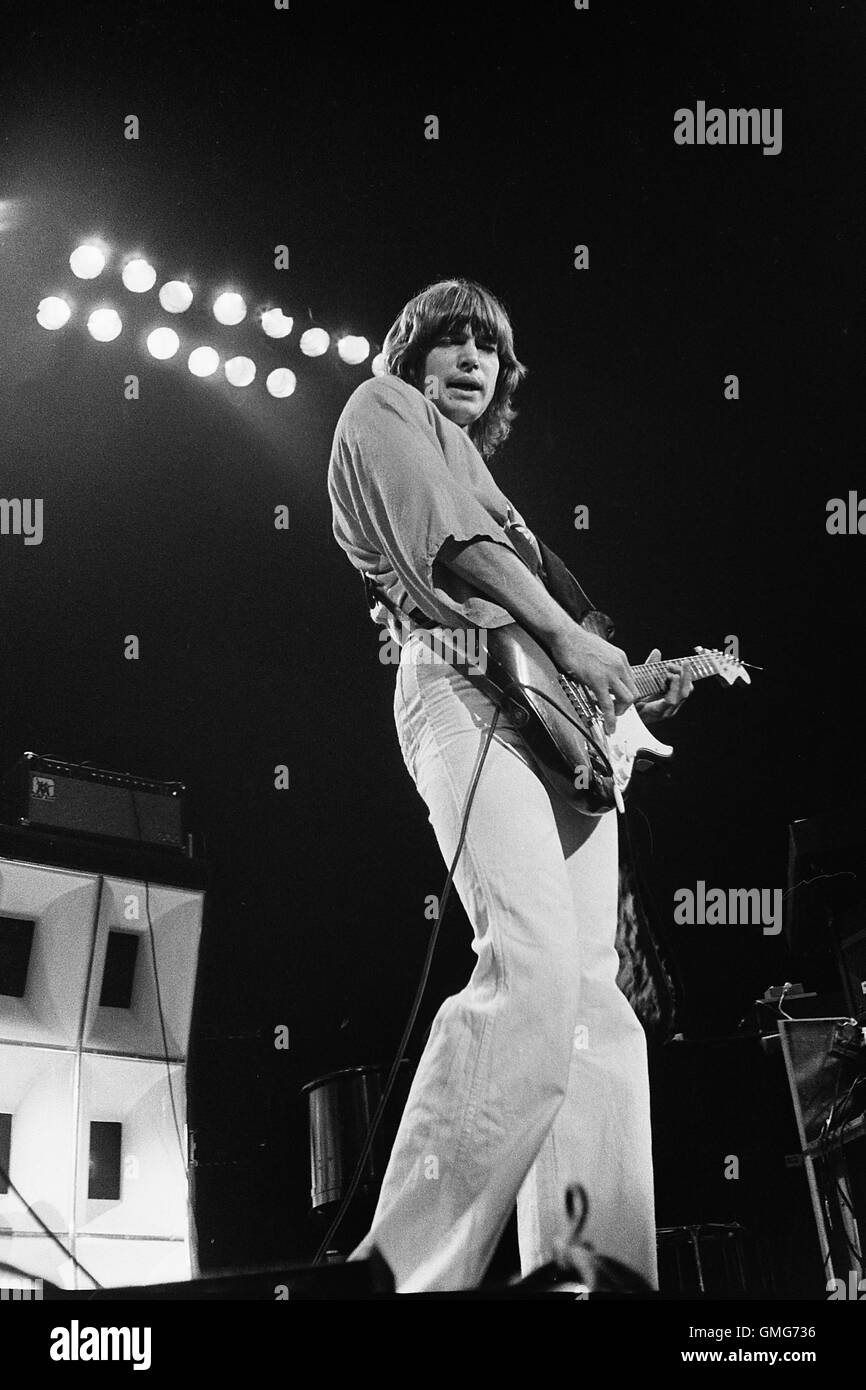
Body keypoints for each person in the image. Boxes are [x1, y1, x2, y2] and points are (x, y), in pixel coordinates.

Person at [327, 277, 692, 1293]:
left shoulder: (503, 498)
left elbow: (548, 633)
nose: (472, 359)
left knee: (592, 1002)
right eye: (451, 340)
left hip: (548, 734)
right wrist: (575, 639)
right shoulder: (381, 408)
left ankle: (594, 1266)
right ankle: (400, 1272)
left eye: (488, 348)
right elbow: (460, 555)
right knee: (528, 963)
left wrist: (629, 698)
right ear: (410, 353)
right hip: (459, 693)